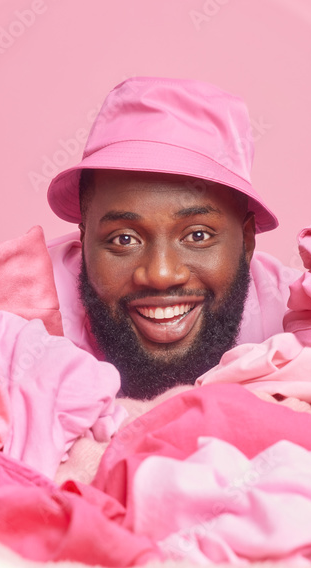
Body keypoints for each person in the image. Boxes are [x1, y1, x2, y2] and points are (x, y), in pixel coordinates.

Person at [45, 77, 292, 399]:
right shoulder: (25, 317)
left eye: (198, 235)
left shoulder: (307, 315)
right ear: (84, 239)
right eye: (124, 239)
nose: (161, 275)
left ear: (246, 241)